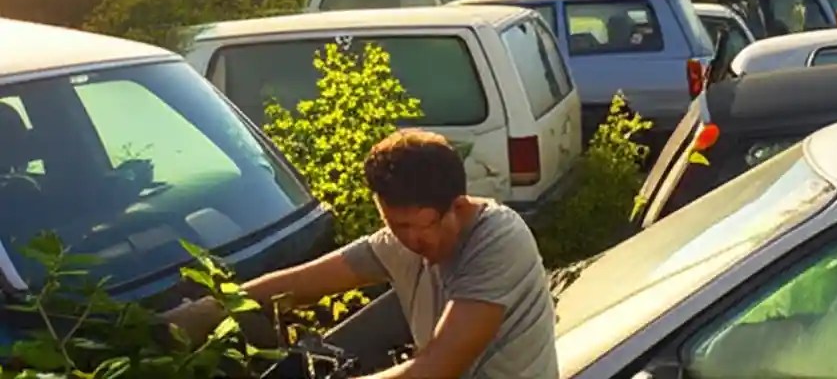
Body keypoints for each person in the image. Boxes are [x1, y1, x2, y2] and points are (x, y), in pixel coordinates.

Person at [162, 129, 558, 379]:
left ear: (457, 205)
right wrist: (205, 312)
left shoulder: (498, 241)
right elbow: (305, 282)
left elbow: (437, 369)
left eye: (423, 224)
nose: (414, 241)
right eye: (398, 226)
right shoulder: (400, 243)